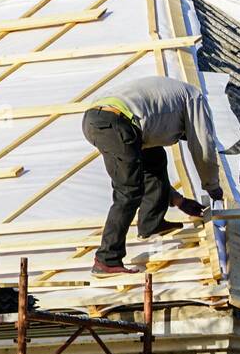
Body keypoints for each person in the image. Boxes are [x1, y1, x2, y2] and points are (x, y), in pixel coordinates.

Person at [82, 75, 223, 275]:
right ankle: (107, 259)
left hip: (98, 119)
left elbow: (149, 172)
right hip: (116, 123)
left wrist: (178, 201)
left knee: (155, 158)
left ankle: (151, 223)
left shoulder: (169, 98)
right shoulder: (194, 100)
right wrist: (212, 187)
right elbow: (203, 148)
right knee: (128, 191)